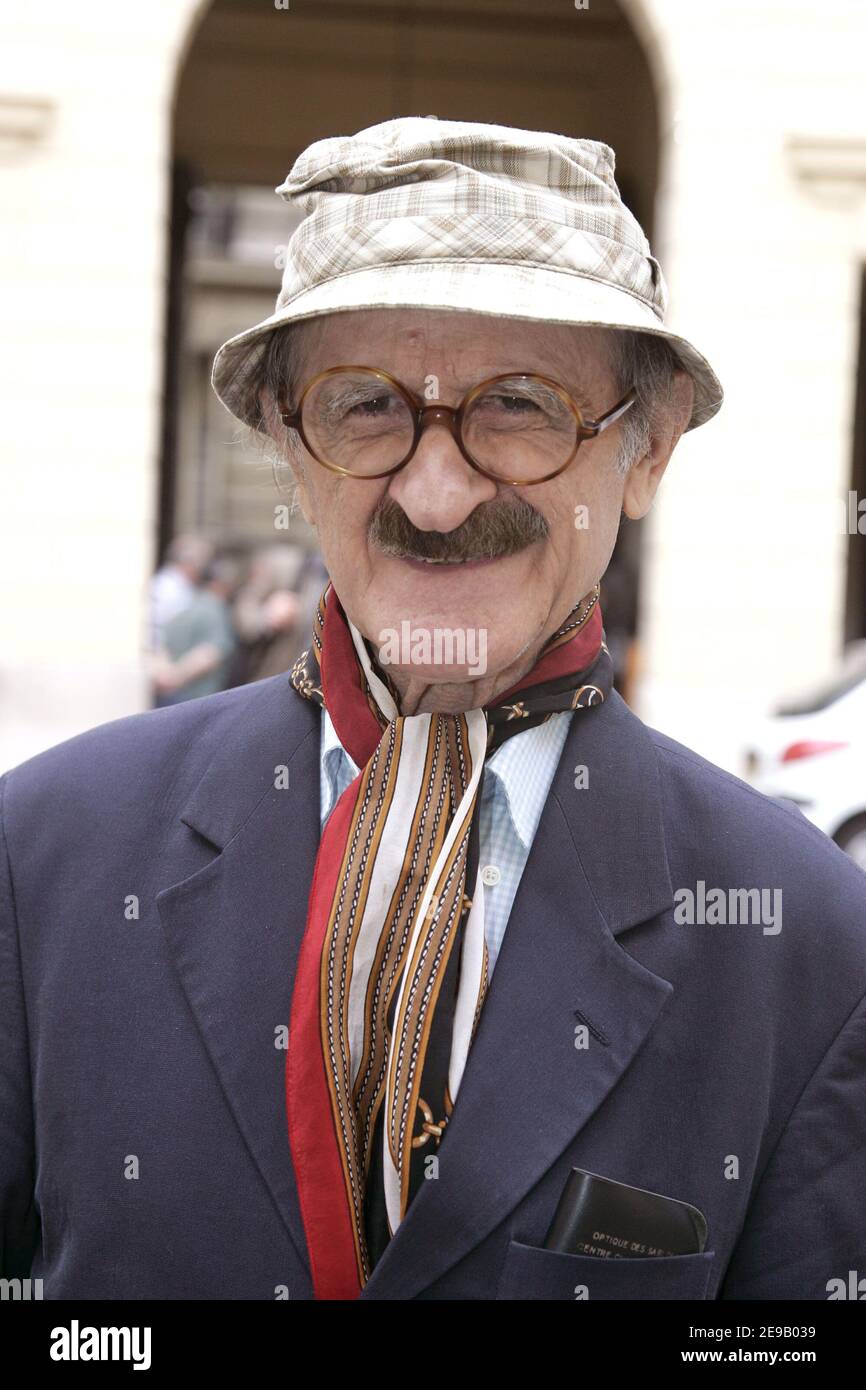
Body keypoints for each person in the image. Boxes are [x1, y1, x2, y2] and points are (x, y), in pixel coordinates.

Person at [1, 118, 865, 1302]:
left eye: (520, 405)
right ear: (288, 452)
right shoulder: (44, 853)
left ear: (647, 450)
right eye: (364, 407)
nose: (438, 491)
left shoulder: (806, 938)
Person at [150, 556, 240, 704]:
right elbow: (210, 654)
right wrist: (175, 677)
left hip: (169, 695)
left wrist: (166, 675)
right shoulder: (215, 609)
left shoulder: (186, 604)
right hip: (195, 699)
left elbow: (160, 642)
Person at [148, 532, 213, 647]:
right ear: (190, 562)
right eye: (204, 561)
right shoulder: (167, 588)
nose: (205, 569)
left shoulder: (184, 586)